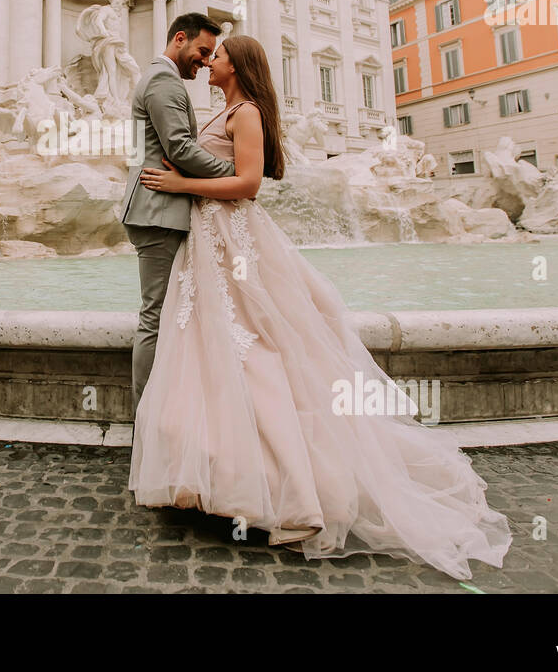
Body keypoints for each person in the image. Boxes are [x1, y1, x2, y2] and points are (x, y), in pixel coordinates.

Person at [128, 34, 513, 580]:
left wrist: (180, 181)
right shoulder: (229, 108)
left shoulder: (248, 113)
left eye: (218, 56)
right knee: (211, 344)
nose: (208, 61)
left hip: (232, 238)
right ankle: (214, 473)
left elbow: (249, 184)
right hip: (209, 243)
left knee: (255, 346)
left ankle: (279, 486)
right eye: (207, 54)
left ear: (237, 65)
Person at [120, 13, 234, 412]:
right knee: (155, 318)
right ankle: (147, 420)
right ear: (179, 39)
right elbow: (180, 148)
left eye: (209, 56)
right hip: (158, 212)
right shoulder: (163, 81)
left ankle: (161, 415)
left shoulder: (152, 79)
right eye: (202, 51)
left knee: (165, 314)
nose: (204, 62)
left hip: (154, 208)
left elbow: (137, 151)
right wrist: (234, 175)